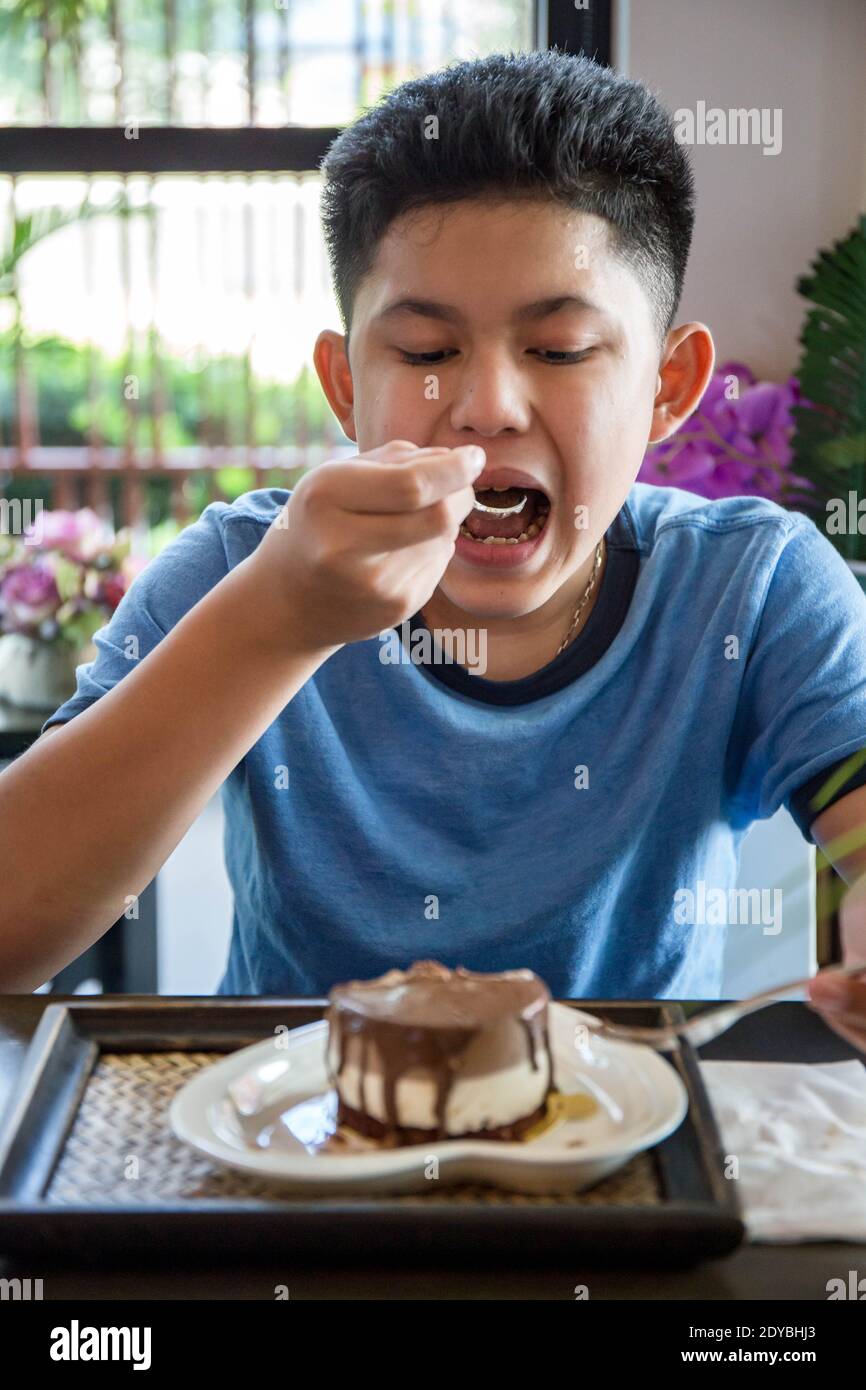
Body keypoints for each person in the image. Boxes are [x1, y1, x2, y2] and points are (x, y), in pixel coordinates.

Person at [1, 51, 864, 1051]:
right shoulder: (241, 569)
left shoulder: (748, 587)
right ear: (343, 385)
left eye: (559, 349)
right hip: (286, 1164)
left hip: (624, 1175)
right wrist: (275, 621)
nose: (485, 406)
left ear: (668, 388)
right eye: (422, 353)